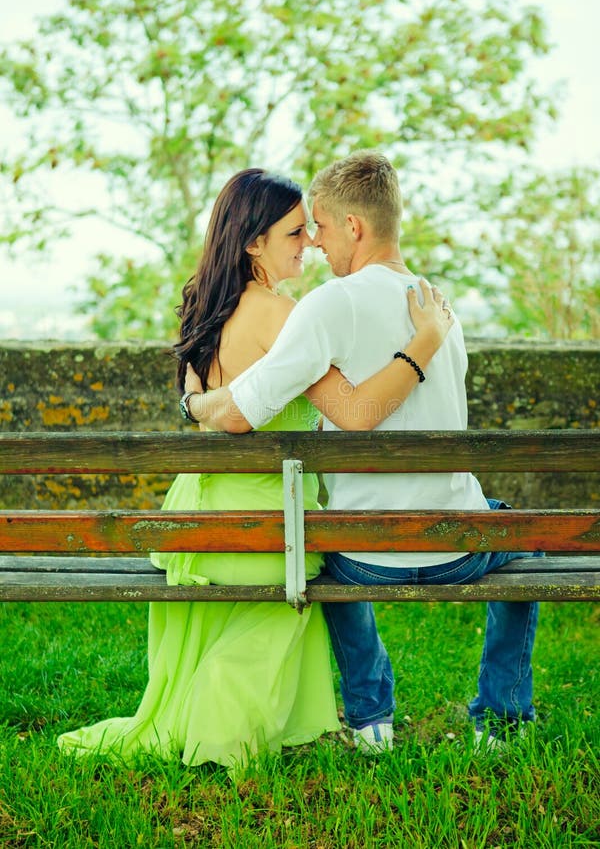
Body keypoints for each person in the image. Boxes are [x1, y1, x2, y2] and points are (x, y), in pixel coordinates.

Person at [58, 167, 452, 772]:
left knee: (226, 619)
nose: (310, 244)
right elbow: (353, 410)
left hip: (199, 510)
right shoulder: (283, 314)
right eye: (296, 232)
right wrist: (422, 344)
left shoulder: (204, 307)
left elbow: (212, 409)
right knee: (288, 596)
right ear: (254, 243)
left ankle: (196, 720)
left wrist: (195, 406)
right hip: (267, 517)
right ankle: (226, 736)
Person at [183, 151, 540, 755]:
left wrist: (193, 405)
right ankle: (502, 720)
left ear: (354, 226)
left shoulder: (329, 305)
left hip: (367, 554)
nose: (315, 242)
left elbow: (249, 410)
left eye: (319, 226)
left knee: (328, 550)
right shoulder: (437, 306)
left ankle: (372, 719)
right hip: (459, 545)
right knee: (526, 541)